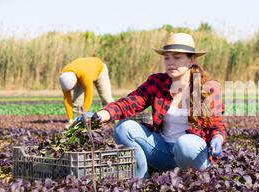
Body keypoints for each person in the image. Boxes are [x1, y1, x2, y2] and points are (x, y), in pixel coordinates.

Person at [84, 33, 226, 179]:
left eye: (177, 57)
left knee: (185, 143)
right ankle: (141, 181)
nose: (170, 62)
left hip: (192, 154)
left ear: (192, 60)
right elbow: (129, 103)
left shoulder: (207, 88)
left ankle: (189, 179)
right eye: (167, 58)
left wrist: (217, 139)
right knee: (123, 128)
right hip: (163, 152)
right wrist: (99, 116)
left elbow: (217, 127)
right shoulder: (157, 82)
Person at [59, 57, 114, 123]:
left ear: (75, 82)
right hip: (81, 74)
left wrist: (83, 114)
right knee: (77, 103)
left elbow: (88, 97)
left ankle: (114, 118)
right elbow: (67, 100)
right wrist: (70, 119)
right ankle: (76, 121)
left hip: (100, 70)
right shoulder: (64, 78)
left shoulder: (85, 76)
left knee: (106, 98)